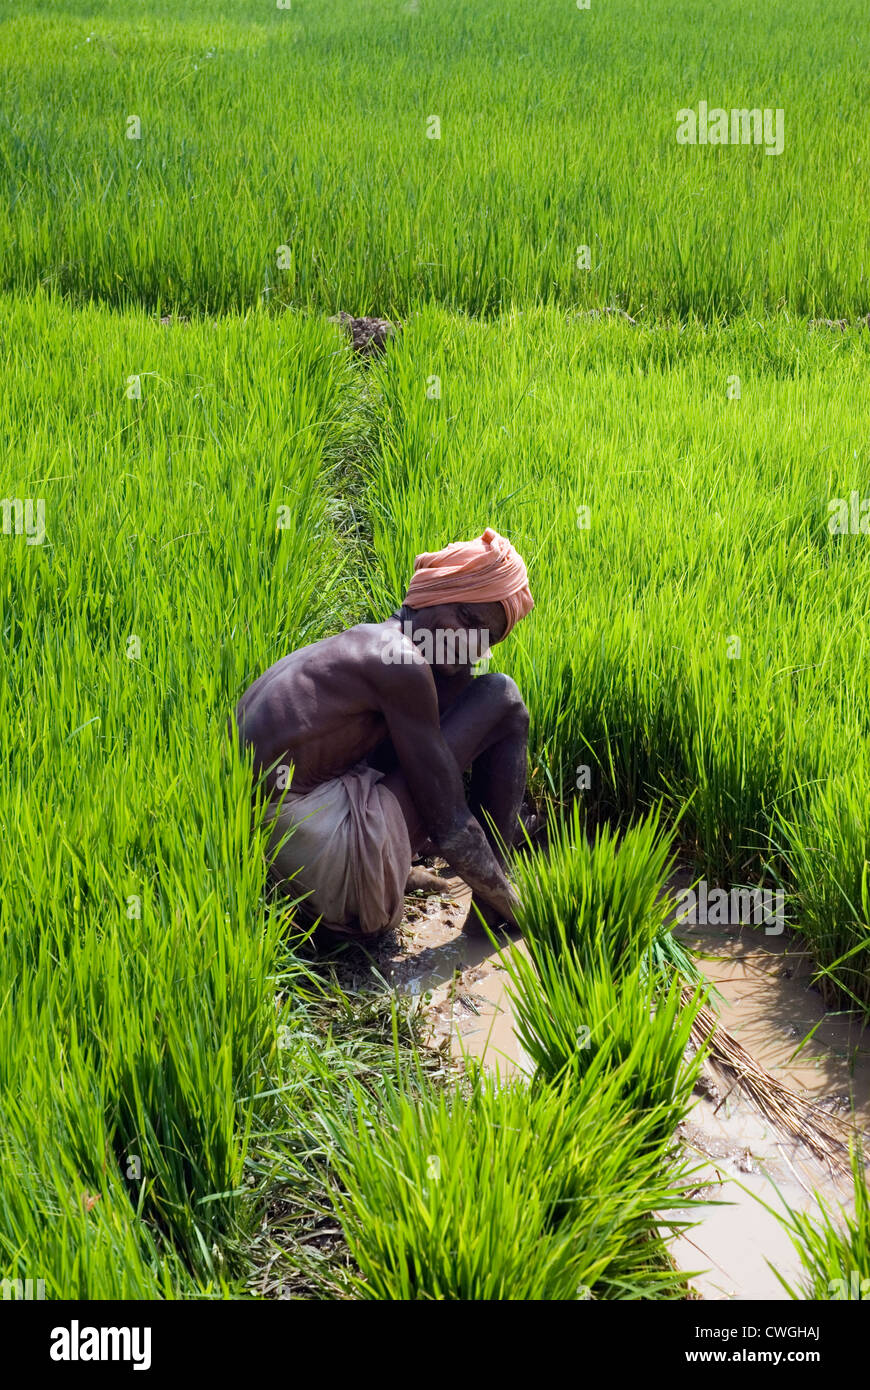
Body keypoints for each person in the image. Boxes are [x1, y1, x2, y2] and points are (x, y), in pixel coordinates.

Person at [233, 527, 534, 940]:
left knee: (431, 728)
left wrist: (456, 667)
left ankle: (430, 874)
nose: (471, 645)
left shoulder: (371, 645)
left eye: (487, 640)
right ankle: (490, 914)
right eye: (466, 620)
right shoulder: (401, 664)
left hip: (264, 848)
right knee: (504, 697)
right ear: (433, 591)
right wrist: (523, 910)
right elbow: (450, 825)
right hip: (321, 860)